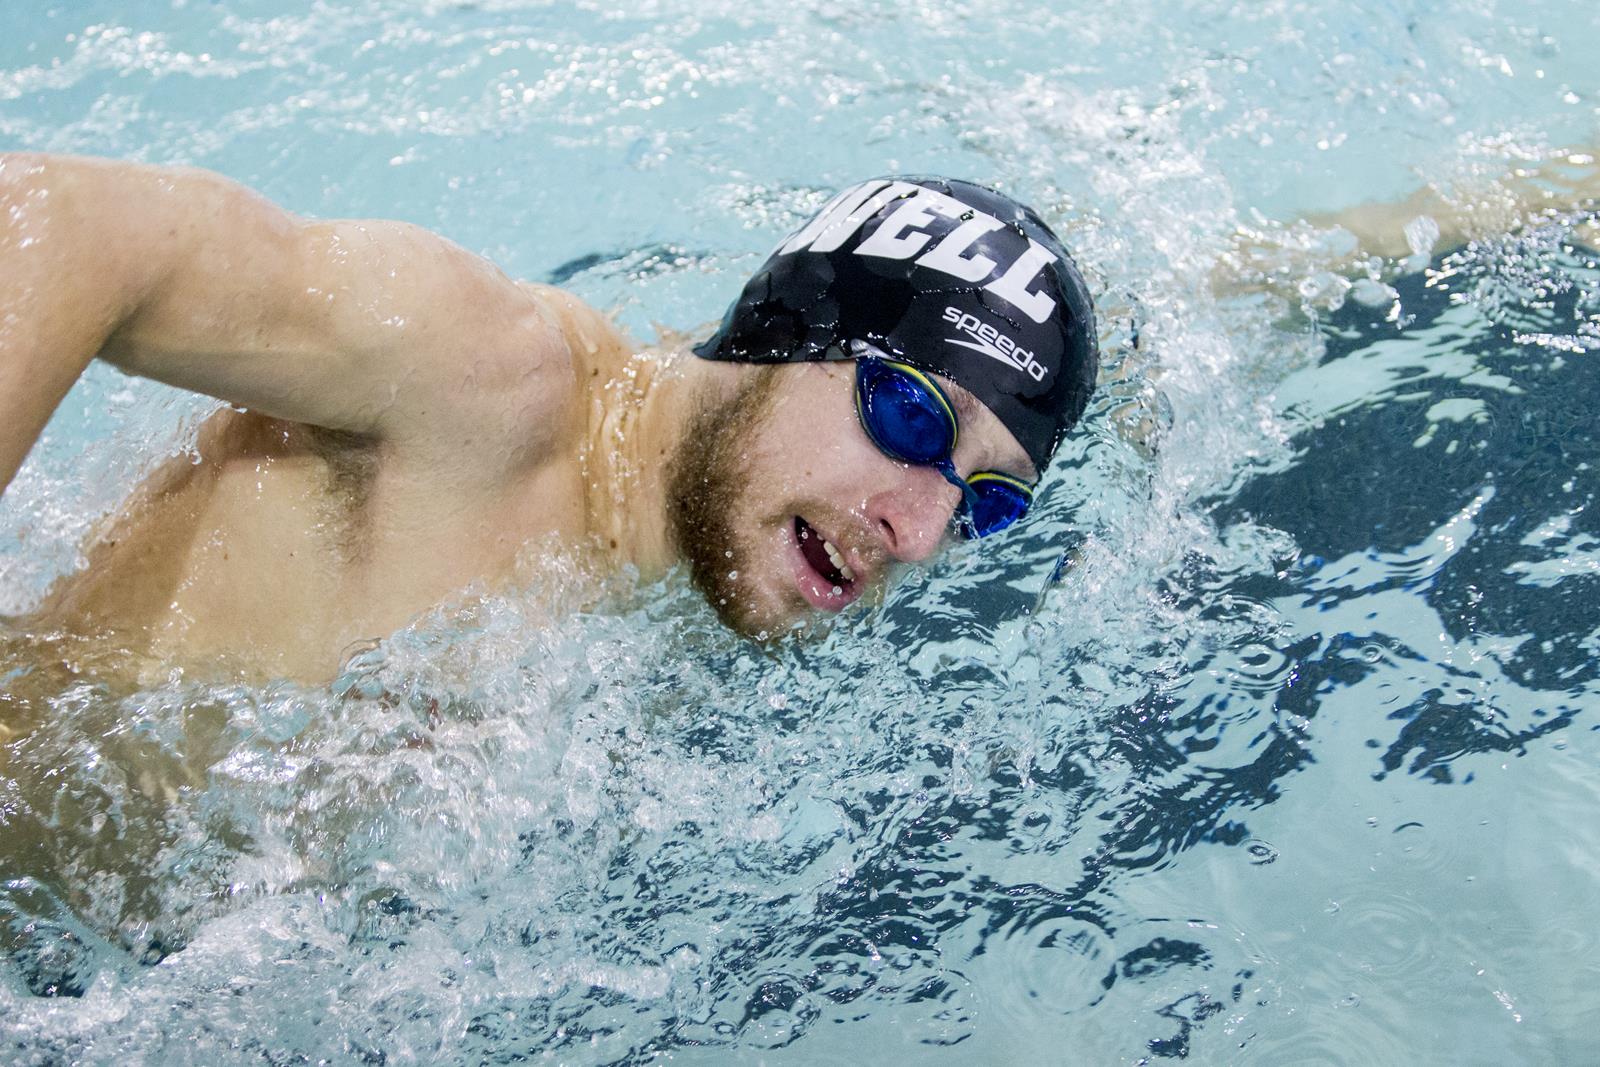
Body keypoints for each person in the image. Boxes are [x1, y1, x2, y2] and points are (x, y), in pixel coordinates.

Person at [0, 157, 1098, 683]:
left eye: (985, 502)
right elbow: (69, 225)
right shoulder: (481, 382)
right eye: (910, 412)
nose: (917, 526)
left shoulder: (679, 582)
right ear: (783, 333)